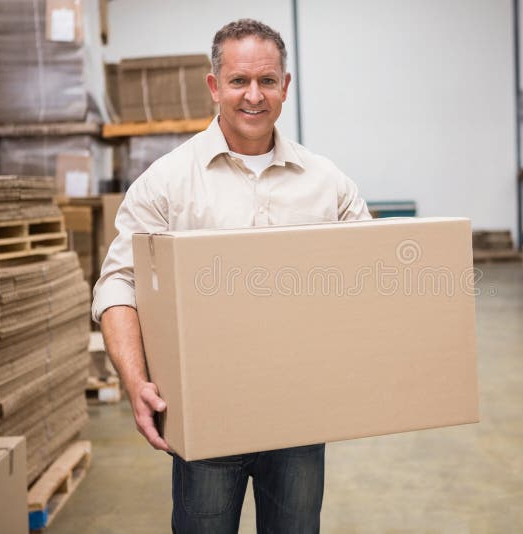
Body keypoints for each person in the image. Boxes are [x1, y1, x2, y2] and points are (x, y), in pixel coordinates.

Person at [92, 18, 371, 534]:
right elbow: (118, 285)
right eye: (239, 81)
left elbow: (366, 277)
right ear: (214, 86)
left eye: (267, 81)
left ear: (285, 86)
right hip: (206, 412)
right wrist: (135, 382)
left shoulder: (326, 183)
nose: (254, 96)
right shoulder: (167, 183)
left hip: (300, 414)